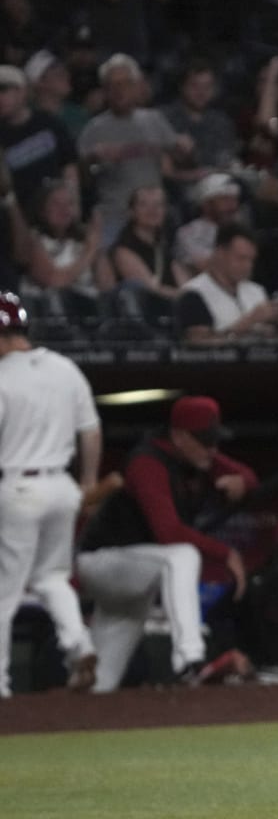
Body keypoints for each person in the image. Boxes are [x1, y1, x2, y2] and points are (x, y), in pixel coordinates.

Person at [77, 396, 255, 692]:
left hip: (136, 578)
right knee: (181, 555)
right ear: (180, 435)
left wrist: (243, 484)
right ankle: (189, 660)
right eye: (204, 441)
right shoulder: (148, 461)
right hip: (102, 562)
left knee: (101, 685)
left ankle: (71, 717)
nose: (212, 449)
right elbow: (168, 532)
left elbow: (248, 476)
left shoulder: (197, 457)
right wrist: (225, 554)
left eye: (214, 440)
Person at [0, 292, 100, 696]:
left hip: (19, 486)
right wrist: (89, 482)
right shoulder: (64, 367)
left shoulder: (3, 375)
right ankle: (79, 646)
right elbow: (90, 431)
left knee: (4, 591)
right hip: (63, 487)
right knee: (52, 577)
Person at [76, 55, 190, 246]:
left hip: (154, 215)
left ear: (137, 86)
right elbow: (83, 181)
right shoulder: (93, 129)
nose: (119, 91)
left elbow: (182, 162)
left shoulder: (154, 119)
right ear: (105, 91)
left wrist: (185, 149)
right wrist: (91, 158)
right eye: (112, 85)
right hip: (114, 215)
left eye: (125, 83)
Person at [176, 225, 278, 344]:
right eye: (241, 258)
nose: (248, 266)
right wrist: (248, 323)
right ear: (220, 253)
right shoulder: (193, 293)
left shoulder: (256, 291)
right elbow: (198, 345)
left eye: (251, 260)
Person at [0, 65, 79, 213]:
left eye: (4, 90)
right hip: (20, 217)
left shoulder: (49, 123)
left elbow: (69, 168)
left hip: (57, 212)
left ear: (22, 92)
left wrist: (74, 207)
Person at [173, 173, 242, 277]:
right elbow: (207, 267)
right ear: (206, 204)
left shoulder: (240, 231)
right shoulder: (188, 232)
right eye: (225, 200)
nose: (232, 206)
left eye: (234, 200)